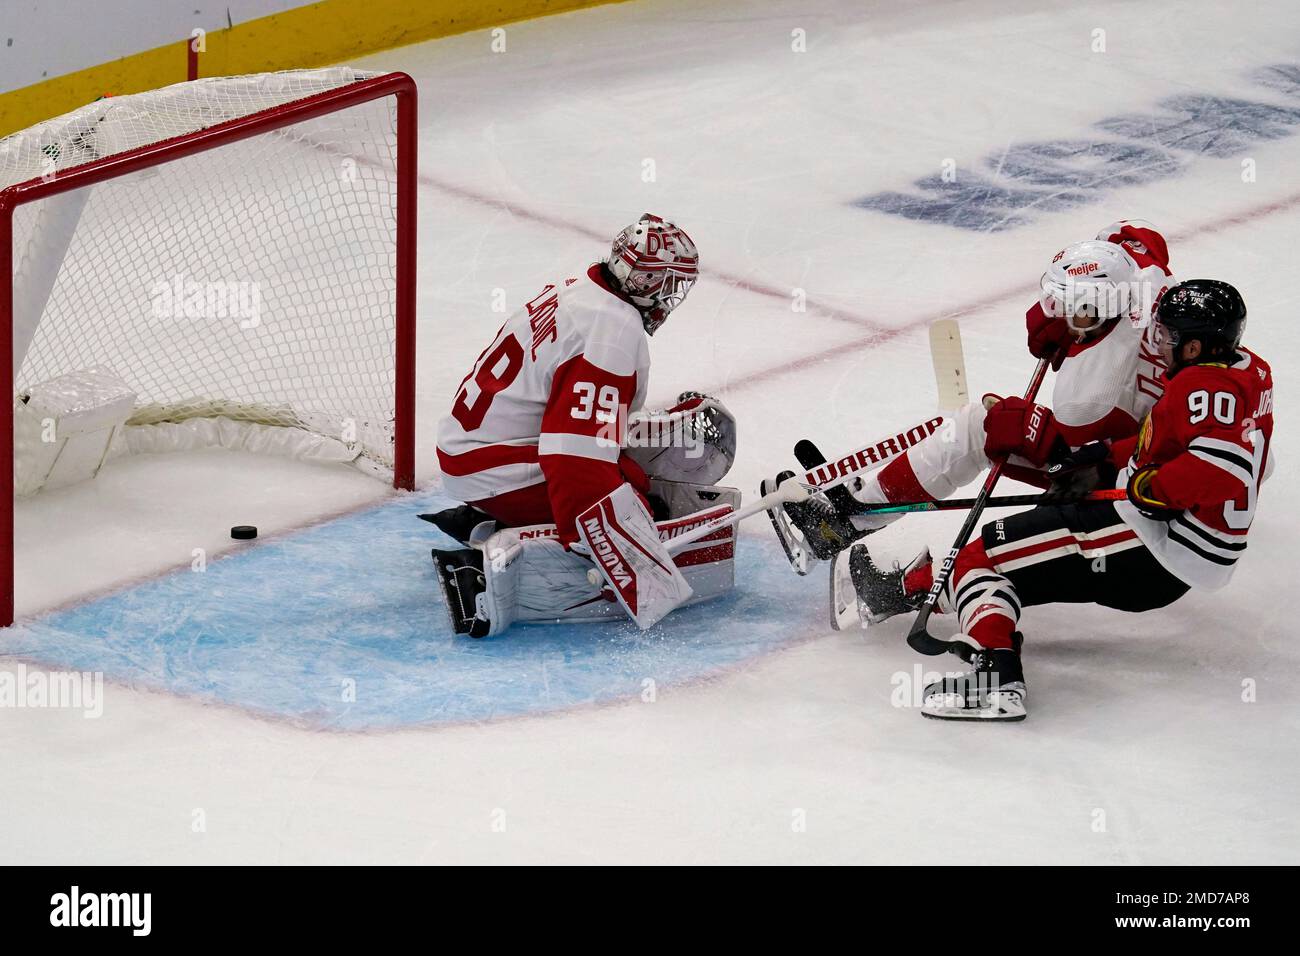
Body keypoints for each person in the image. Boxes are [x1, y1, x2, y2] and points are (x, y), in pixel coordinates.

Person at [847, 279, 1273, 721]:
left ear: (1194, 347)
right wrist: (1106, 458)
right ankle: (906, 590)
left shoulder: (1204, 388)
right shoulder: (1247, 370)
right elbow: (1176, 443)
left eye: (1168, 336)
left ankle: (996, 680)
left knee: (983, 559)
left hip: (1152, 547)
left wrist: (1151, 490)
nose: (1159, 343)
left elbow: (1225, 470)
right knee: (1018, 545)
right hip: (1163, 540)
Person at [773, 220, 1174, 575]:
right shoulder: (1146, 281)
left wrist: (1020, 425)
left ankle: (846, 522)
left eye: (1066, 304)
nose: (1054, 308)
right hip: (1164, 437)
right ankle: (857, 511)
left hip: (1136, 476)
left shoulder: (1092, 393)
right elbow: (1131, 235)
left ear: (1093, 309)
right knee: (985, 424)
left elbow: (1073, 463)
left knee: (977, 429)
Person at [428, 214, 739, 637]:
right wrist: (627, 561)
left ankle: (494, 515)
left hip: (477, 449)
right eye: (669, 283)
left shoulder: (588, 290)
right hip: (492, 468)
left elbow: (577, 420)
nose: (671, 298)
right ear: (647, 283)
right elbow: (573, 461)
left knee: (627, 474)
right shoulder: (610, 332)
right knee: (634, 500)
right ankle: (498, 550)